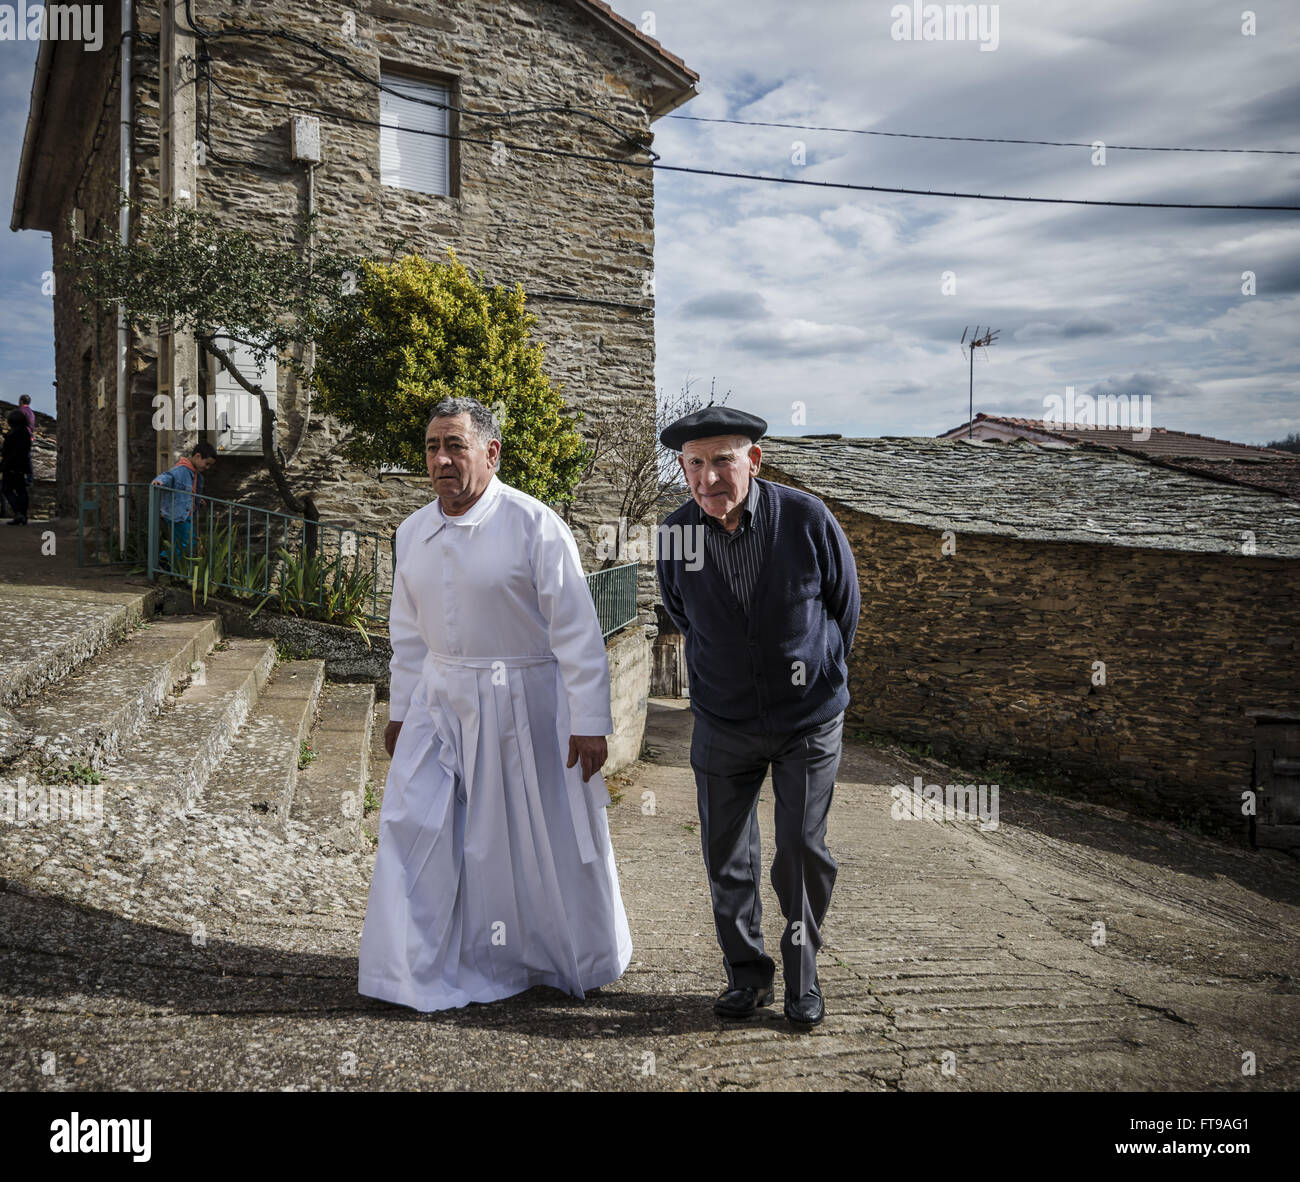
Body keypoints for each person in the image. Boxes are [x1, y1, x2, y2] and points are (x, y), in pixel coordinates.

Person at [358, 396, 632, 1011]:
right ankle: (412, 966)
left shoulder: (535, 525)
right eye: (432, 447)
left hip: (524, 706)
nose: (441, 459)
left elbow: (577, 633)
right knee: (412, 822)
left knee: (528, 837)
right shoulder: (412, 532)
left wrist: (590, 722)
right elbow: (407, 634)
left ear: (491, 451)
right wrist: (401, 711)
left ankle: (552, 955)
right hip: (437, 701)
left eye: (455, 444)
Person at [656, 407, 859, 1027]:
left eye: (722, 460)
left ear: (754, 460)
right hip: (722, 720)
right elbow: (681, 613)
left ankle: (803, 982)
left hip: (807, 720)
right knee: (726, 855)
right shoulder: (676, 534)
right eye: (694, 463)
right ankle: (747, 978)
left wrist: (812, 675)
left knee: (800, 852)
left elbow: (842, 609)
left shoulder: (805, 518)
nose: (707, 476)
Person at [151, 442, 217, 564]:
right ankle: (163, 561)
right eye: (207, 463)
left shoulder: (196, 475)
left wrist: (198, 500)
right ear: (197, 456)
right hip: (177, 514)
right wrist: (159, 481)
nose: (207, 467)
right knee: (188, 541)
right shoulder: (181, 470)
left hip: (186, 514)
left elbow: (190, 491)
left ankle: (168, 564)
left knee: (183, 541)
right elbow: (167, 476)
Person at [2, 410, 32, 525]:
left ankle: (18, 512)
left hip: (11, 465)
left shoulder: (15, 433)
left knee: (6, 489)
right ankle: (22, 516)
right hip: (21, 465)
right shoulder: (25, 432)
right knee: (21, 490)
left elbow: (11, 451)